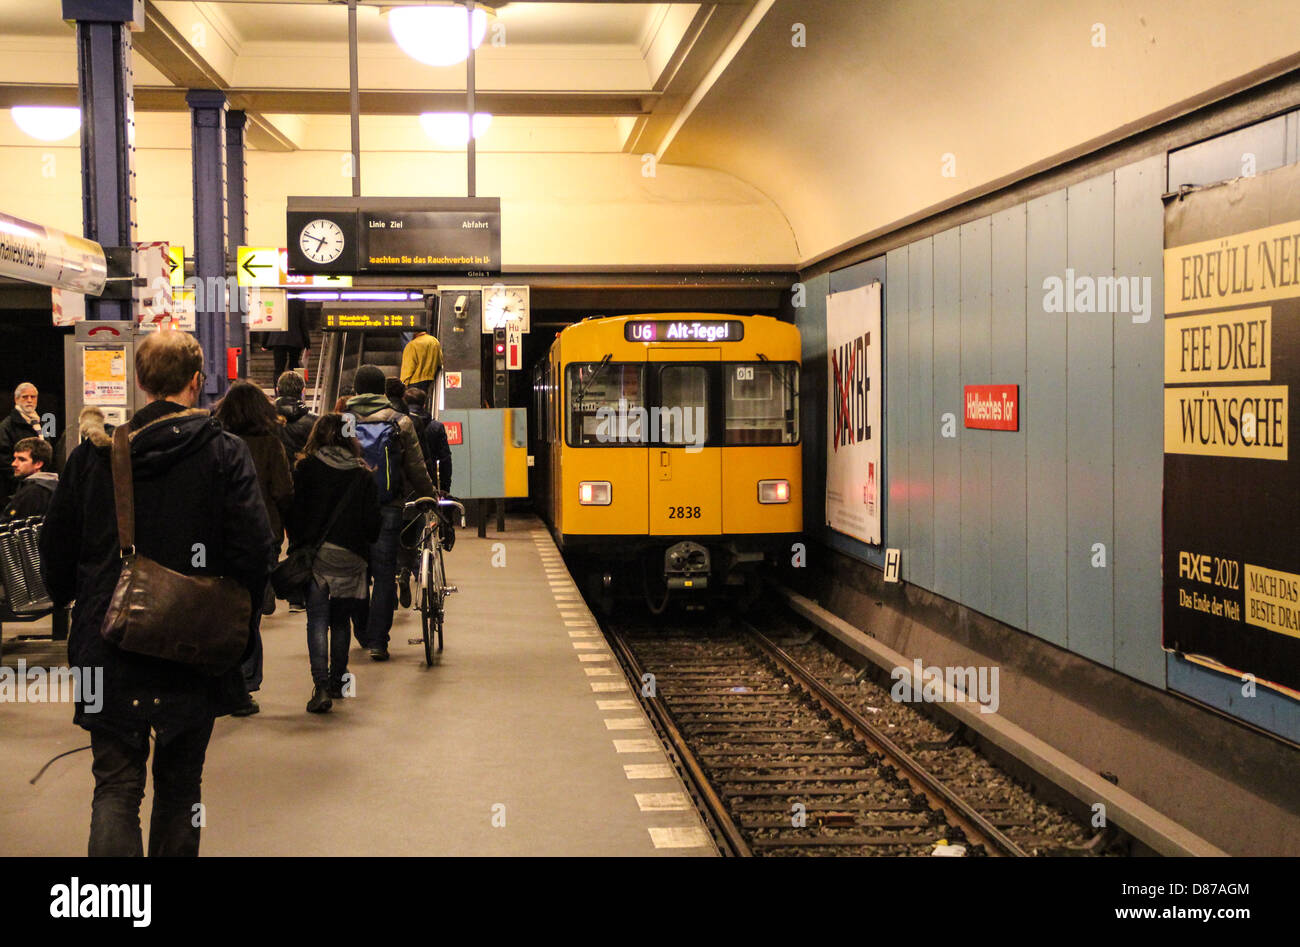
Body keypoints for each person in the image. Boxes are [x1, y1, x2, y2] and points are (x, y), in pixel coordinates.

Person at [40, 329, 274, 857]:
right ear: (197, 381)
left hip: (108, 638)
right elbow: (256, 551)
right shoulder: (225, 453)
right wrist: (237, 618)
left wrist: (80, 603)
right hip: (194, 646)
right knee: (181, 788)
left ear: (141, 383)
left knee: (116, 787)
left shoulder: (94, 456)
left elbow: (55, 550)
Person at [287, 414, 380, 712]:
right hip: (352, 557)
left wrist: (299, 547)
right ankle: (340, 680)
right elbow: (373, 526)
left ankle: (321, 687)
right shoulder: (363, 474)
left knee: (317, 620)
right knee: (340, 621)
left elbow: (295, 514)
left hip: (318, 555)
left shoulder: (306, 468)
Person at [214, 380, 294, 715]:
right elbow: (284, 492)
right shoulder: (270, 444)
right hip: (261, 538)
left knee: (221, 612)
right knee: (249, 616)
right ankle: (244, 686)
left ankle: (223, 682)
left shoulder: (215, 443)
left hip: (220, 539)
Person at [345, 364, 434, 661]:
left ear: (356, 388)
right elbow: (416, 467)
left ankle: (362, 630)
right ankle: (378, 642)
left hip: (351, 510)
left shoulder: (342, 420)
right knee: (384, 574)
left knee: (357, 573)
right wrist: (428, 495)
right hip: (388, 507)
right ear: (382, 389)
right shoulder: (400, 421)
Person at [404, 387, 452, 494]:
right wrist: (445, 488)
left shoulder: (400, 424)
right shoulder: (436, 427)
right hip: (429, 481)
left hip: (405, 484)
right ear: (424, 405)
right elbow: (445, 459)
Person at [0, 382, 44, 499]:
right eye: (25, 397)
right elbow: (4, 460)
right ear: (16, 399)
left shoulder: (40, 423)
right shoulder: (7, 426)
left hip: (39, 484)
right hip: (16, 489)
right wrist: (19, 481)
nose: (29, 400)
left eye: (33, 397)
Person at [2, 437, 58, 522]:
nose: (14, 464)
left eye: (21, 459)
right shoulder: (53, 486)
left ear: (38, 464)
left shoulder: (33, 492)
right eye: (15, 458)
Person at [254, 297, 312, 379]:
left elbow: (269, 320)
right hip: (295, 338)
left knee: (278, 368)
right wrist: (307, 344)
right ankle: (294, 388)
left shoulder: (274, 299)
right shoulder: (299, 302)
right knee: (294, 365)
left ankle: (278, 390)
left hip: (278, 338)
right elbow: (303, 324)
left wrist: (264, 343)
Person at [274, 370, 317, 459]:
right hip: (303, 470)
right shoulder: (316, 421)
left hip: (273, 470)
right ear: (303, 391)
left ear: (277, 390)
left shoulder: (264, 419)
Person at [399, 327, 442, 394]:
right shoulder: (434, 341)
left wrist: (403, 385)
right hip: (431, 379)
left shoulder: (412, 345)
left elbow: (408, 369)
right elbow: (440, 361)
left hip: (415, 383)